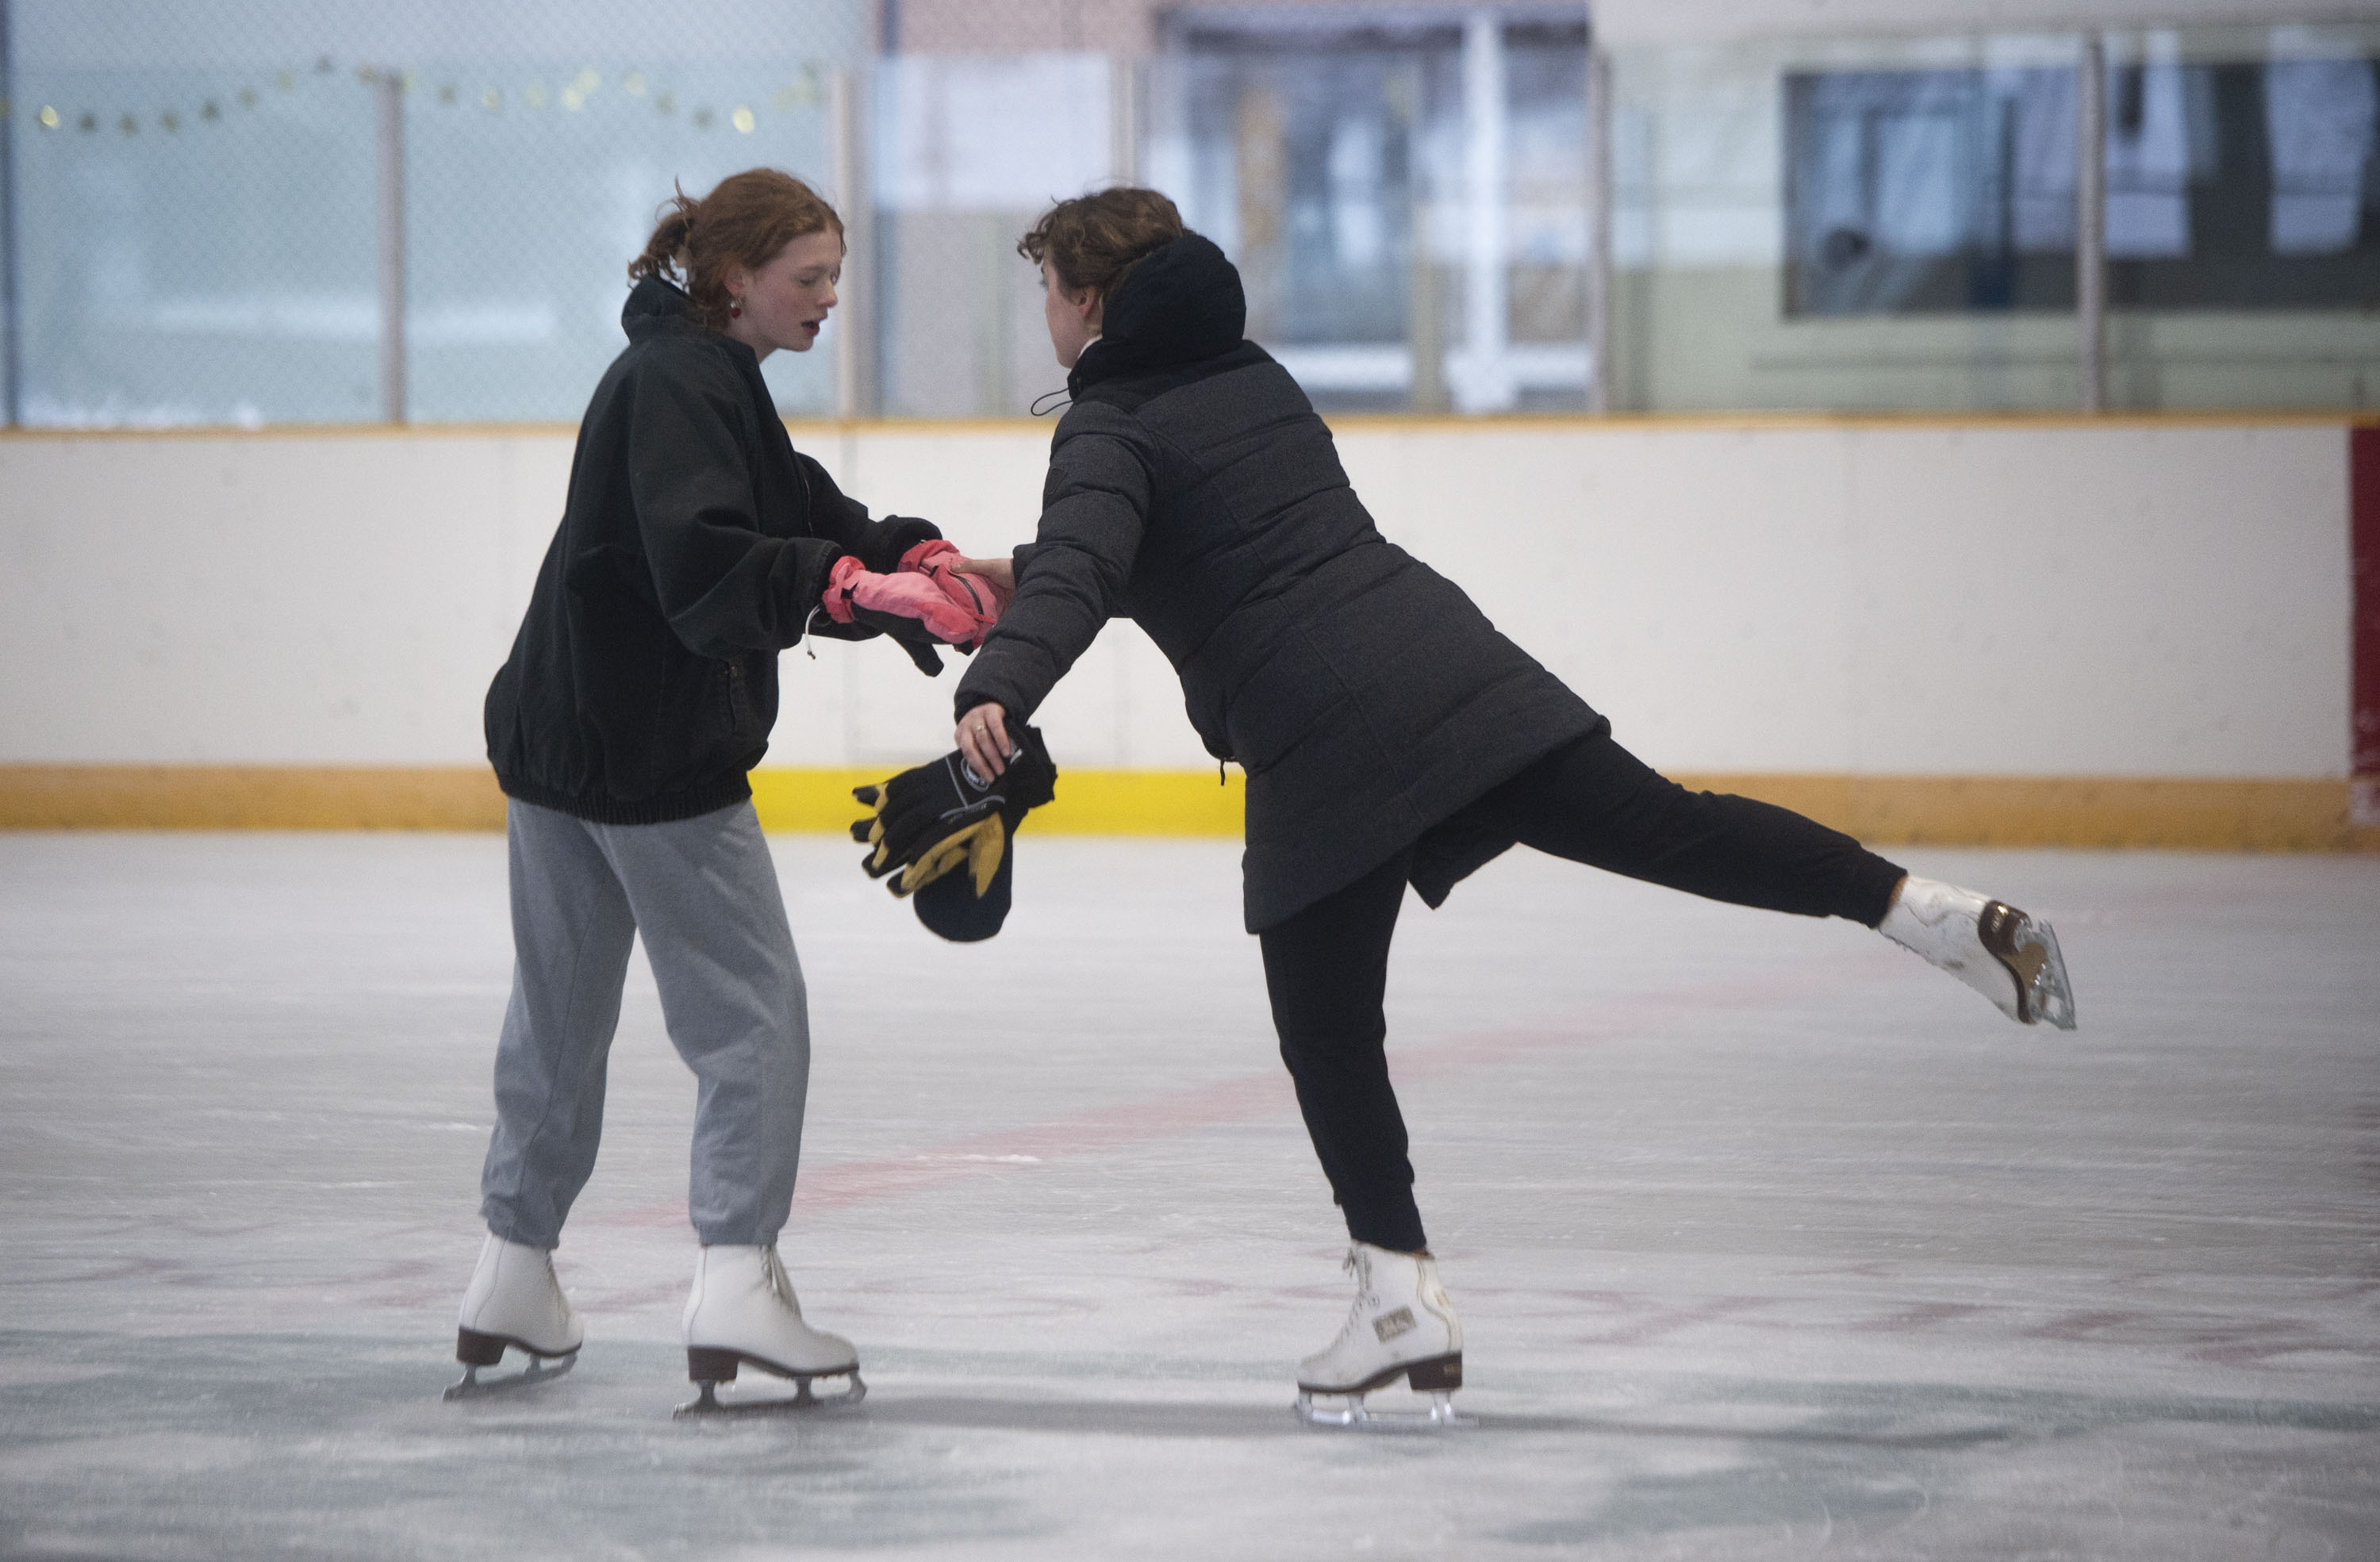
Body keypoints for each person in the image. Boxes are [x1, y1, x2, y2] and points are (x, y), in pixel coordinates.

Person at [927, 187, 2075, 1424]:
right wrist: (1033, 568)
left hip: (1326, 739)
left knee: (1328, 1032)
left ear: (1088, 299)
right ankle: (1926, 912)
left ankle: (1400, 1300)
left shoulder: (1104, 424)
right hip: (1449, 666)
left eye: (1048, 287)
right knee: (1674, 824)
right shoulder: (1250, 376)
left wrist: (1001, 677)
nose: (1043, 310)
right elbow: (1193, 537)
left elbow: (1104, 555)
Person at [448, 170, 1000, 1409]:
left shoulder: (697, 376)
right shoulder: (680, 384)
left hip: (561, 747)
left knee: (560, 1015)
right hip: (649, 759)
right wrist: (854, 586)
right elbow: (709, 560)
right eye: (808, 278)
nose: (827, 301)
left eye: (835, 278)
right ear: (737, 277)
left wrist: (897, 549)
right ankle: (737, 1281)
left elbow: (786, 504)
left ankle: (511, 1269)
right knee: (751, 1017)